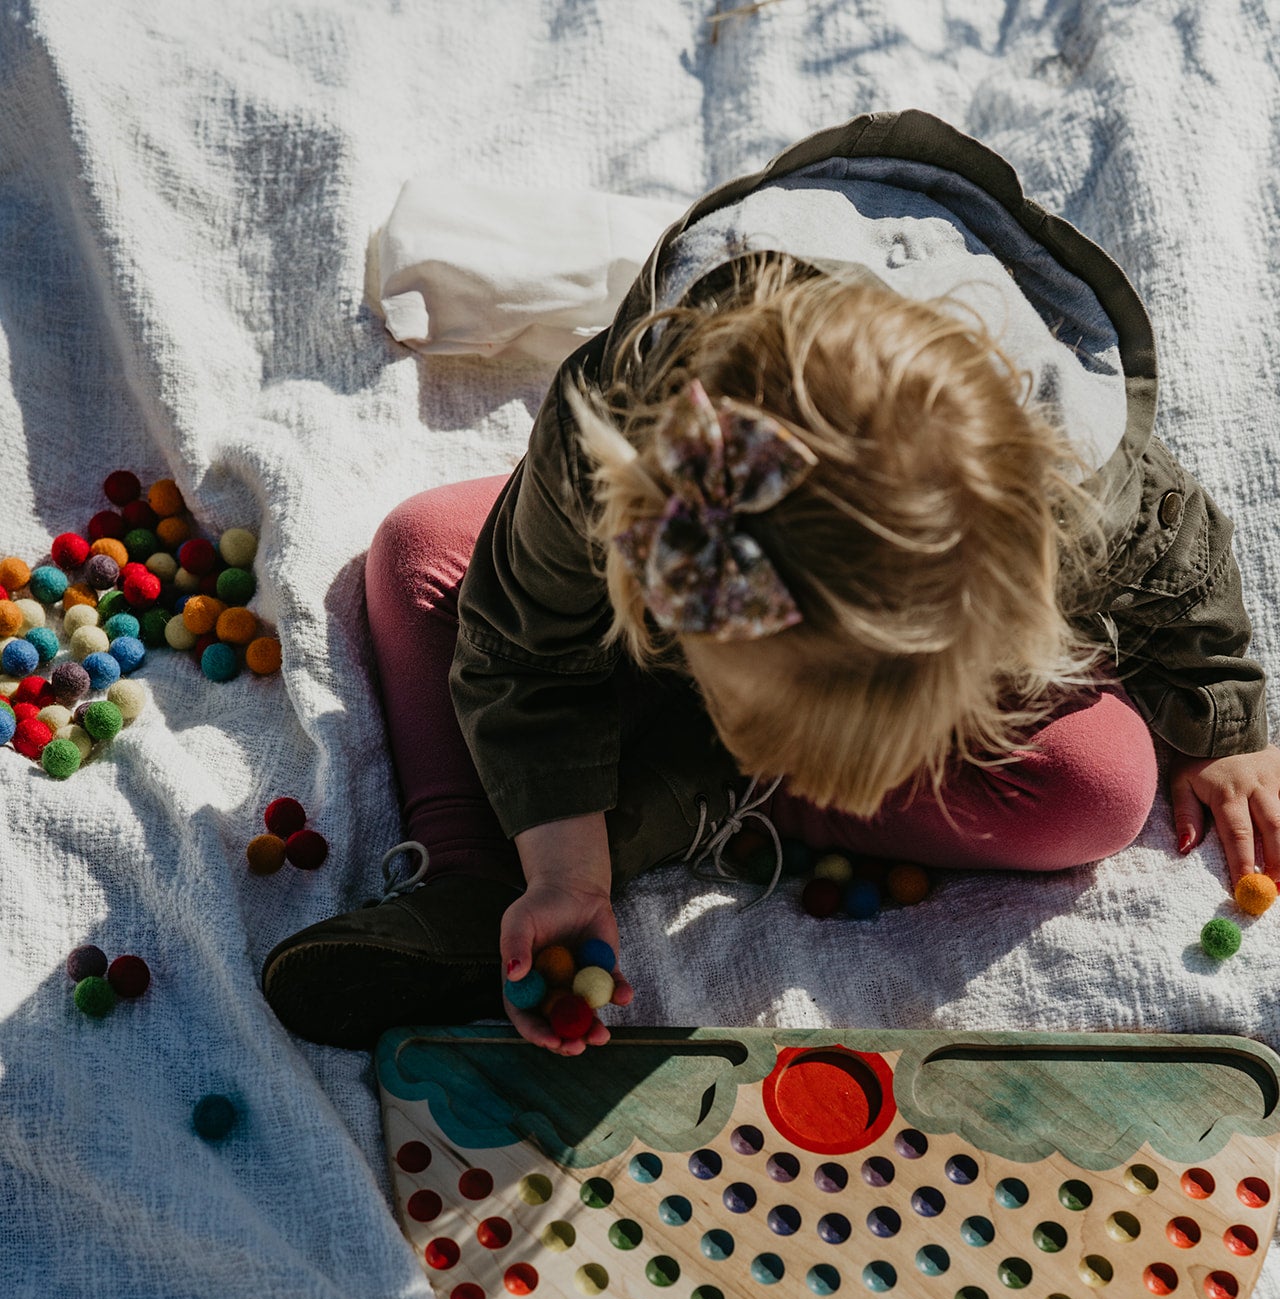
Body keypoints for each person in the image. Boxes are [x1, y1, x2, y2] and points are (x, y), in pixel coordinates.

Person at [261, 107, 1274, 1054]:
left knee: (1096, 788)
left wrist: (1225, 725)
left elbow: (1182, 560)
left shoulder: (1076, 488)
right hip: (676, 527)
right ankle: (473, 876)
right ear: (671, 575)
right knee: (421, 552)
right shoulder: (616, 452)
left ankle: (684, 798)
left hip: (868, 560)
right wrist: (564, 877)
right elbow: (522, 647)